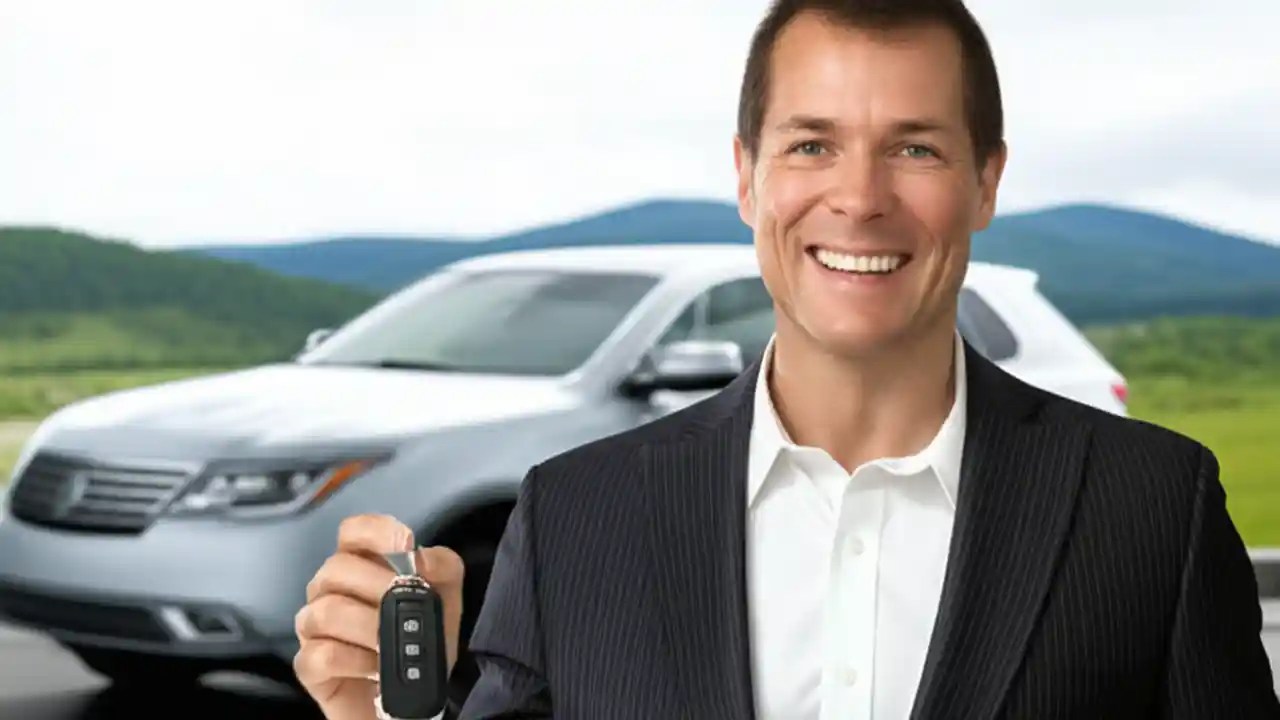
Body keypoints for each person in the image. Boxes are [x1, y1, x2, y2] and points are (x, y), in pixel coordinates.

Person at [293, 0, 1280, 717]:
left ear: (986, 181)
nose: (857, 199)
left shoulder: (1154, 508)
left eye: (915, 150)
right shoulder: (574, 517)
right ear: (744, 176)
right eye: (811, 145)